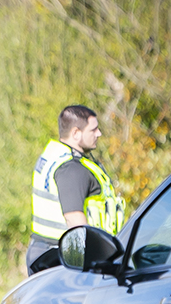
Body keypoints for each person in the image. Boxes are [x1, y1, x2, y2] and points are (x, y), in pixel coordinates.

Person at [27, 105, 125, 272]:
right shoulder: (71, 169)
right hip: (62, 258)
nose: (99, 133)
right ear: (75, 133)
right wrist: (95, 259)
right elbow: (74, 221)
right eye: (93, 130)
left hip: (48, 252)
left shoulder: (56, 154)